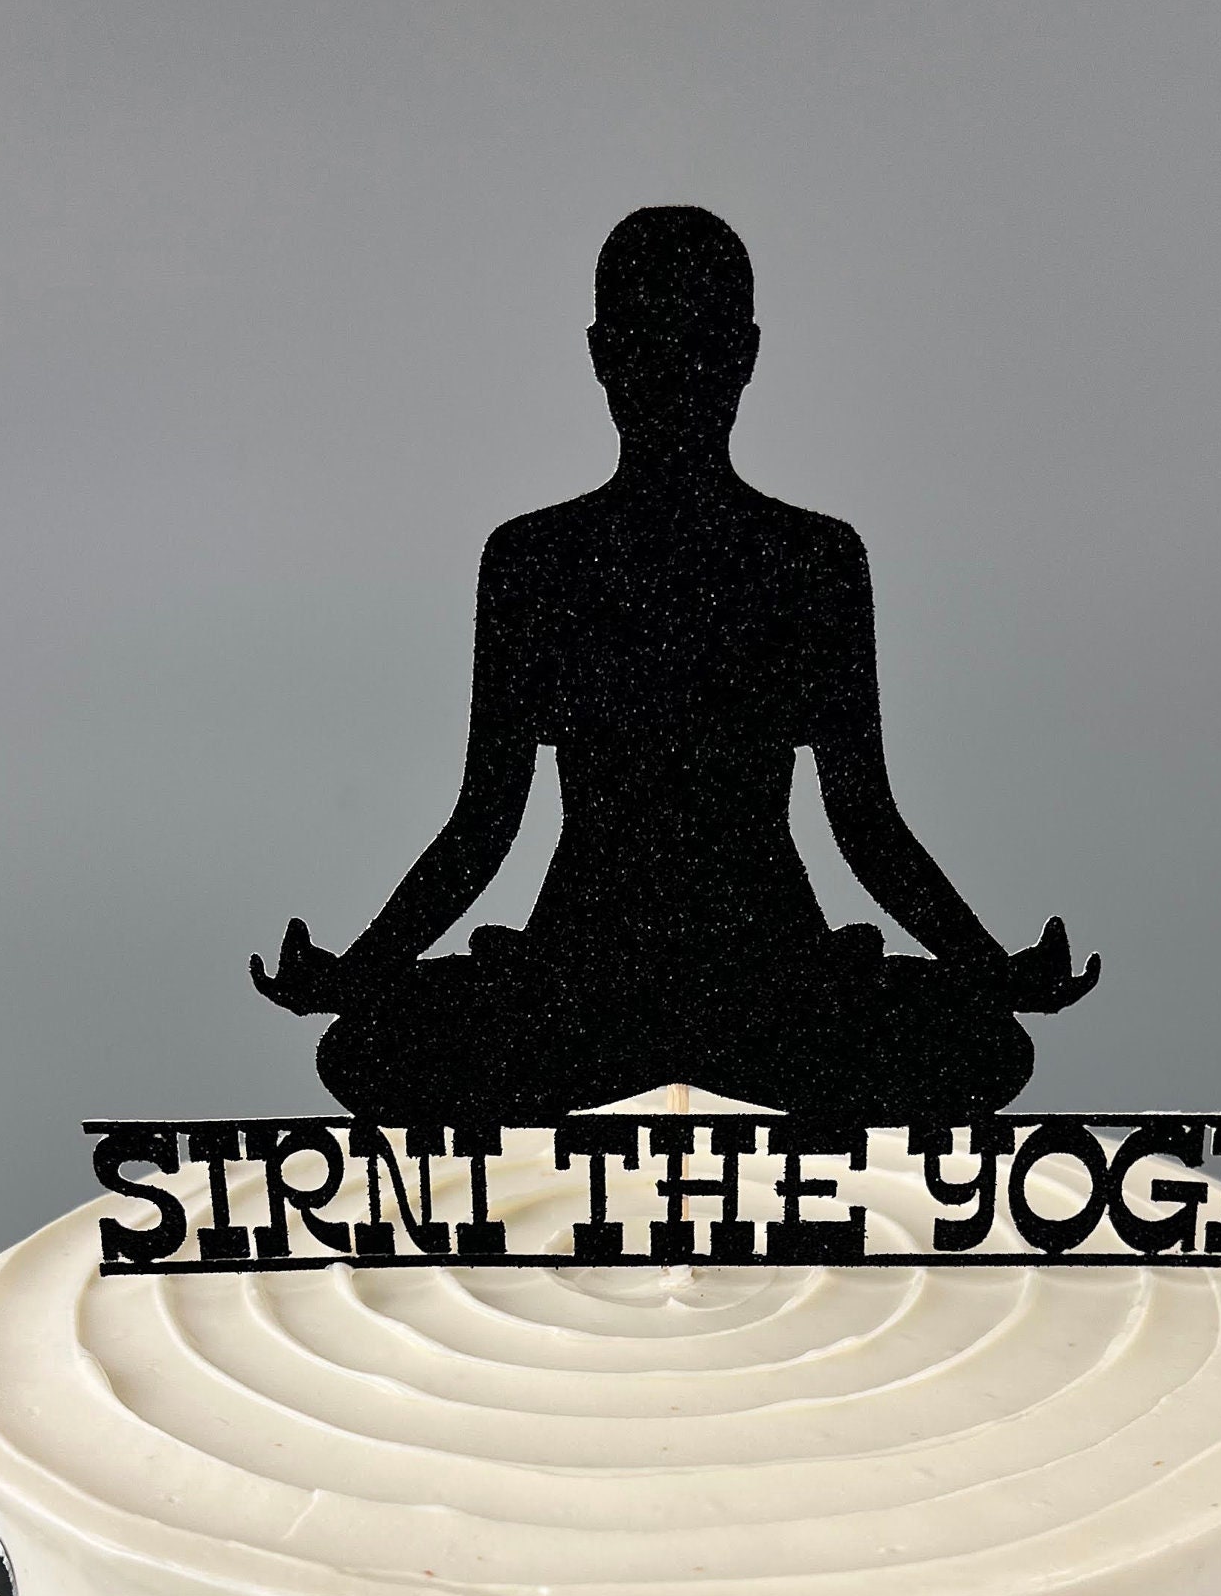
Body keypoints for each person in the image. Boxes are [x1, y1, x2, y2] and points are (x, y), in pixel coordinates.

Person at [252, 204, 1096, 1120]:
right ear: (604, 356)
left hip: (753, 981)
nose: (673, 376)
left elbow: (865, 824)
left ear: (744, 354)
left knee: (984, 1046)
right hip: (595, 981)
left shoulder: (810, 560)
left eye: (695, 346)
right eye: (650, 348)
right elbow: (484, 825)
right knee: (366, 1047)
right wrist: (360, 972)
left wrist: (989, 969)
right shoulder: (538, 560)